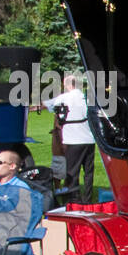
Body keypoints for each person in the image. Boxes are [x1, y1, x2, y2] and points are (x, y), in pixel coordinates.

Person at [44, 73, 95, 202]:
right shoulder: (87, 98)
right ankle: (88, 199)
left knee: (72, 172)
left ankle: (74, 200)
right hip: (89, 140)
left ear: (67, 85)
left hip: (73, 140)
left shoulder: (63, 98)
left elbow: (46, 104)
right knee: (88, 172)